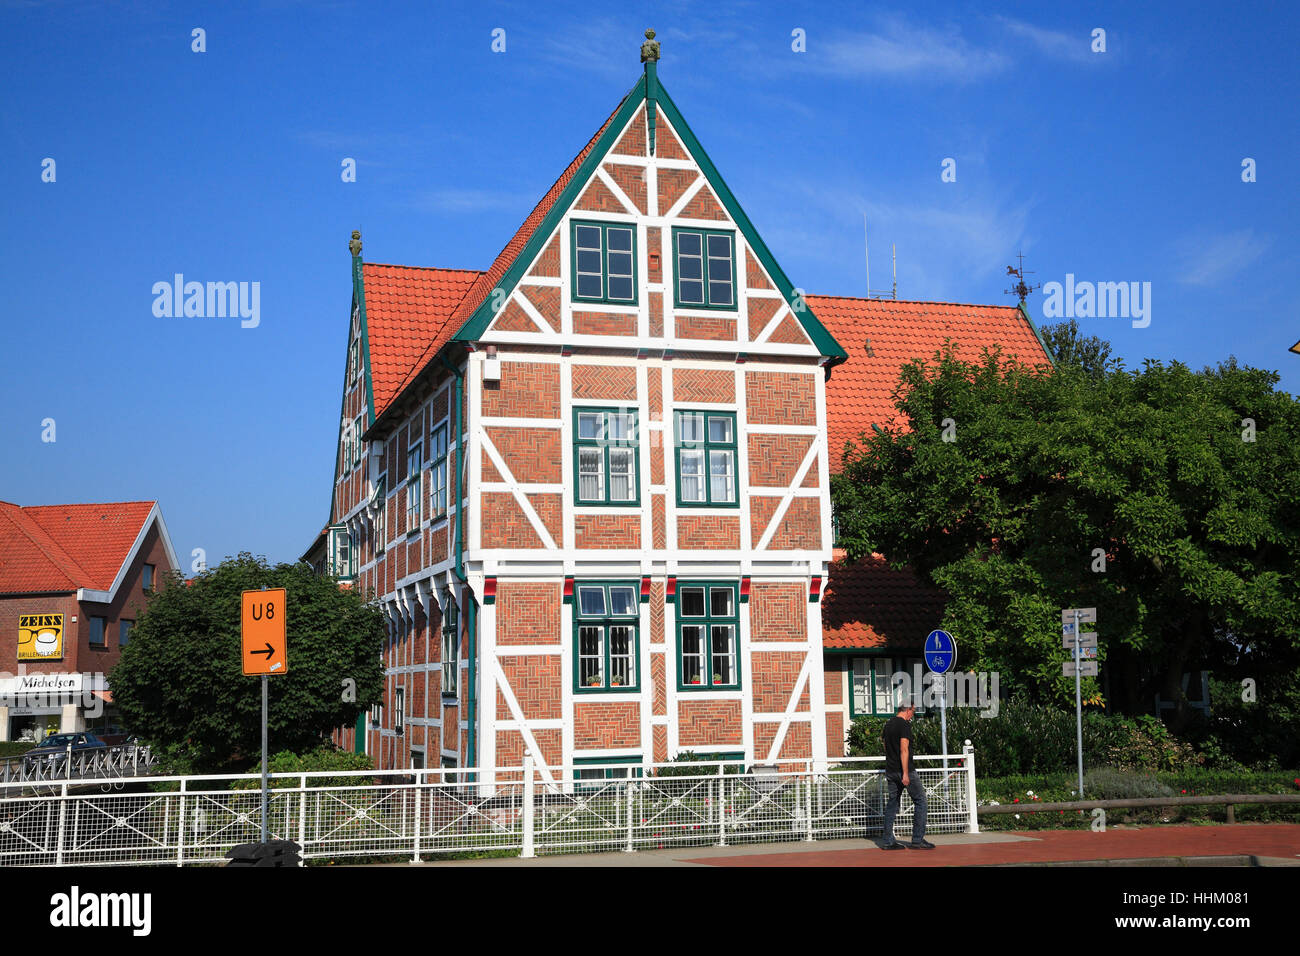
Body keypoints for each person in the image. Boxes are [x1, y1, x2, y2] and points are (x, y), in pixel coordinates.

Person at [879, 701, 934, 849]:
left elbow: (884, 745)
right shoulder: (904, 725)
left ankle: (888, 841)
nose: (913, 714)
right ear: (907, 710)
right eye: (913, 711)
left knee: (892, 804)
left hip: (890, 770)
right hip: (905, 770)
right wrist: (905, 773)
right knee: (921, 801)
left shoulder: (888, 724)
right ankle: (917, 840)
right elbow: (904, 749)